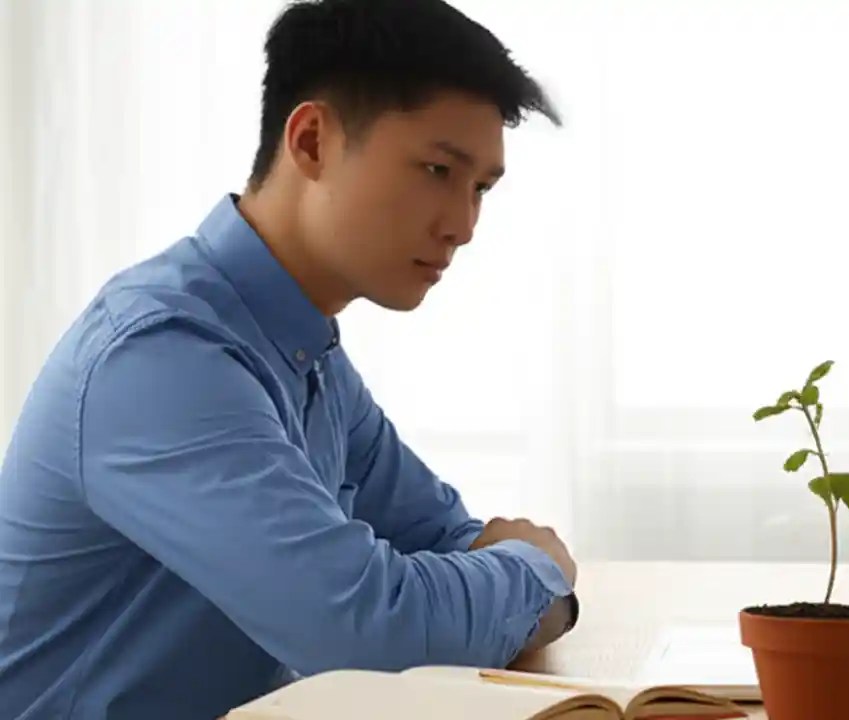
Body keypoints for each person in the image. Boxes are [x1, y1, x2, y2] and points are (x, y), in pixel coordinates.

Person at [0, 1, 580, 718]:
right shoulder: (162, 359)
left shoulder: (307, 354)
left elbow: (449, 539)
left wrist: (494, 580)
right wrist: (537, 574)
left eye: (481, 189)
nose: (462, 225)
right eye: (436, 169)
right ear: (310, 141)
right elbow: (372, 632)